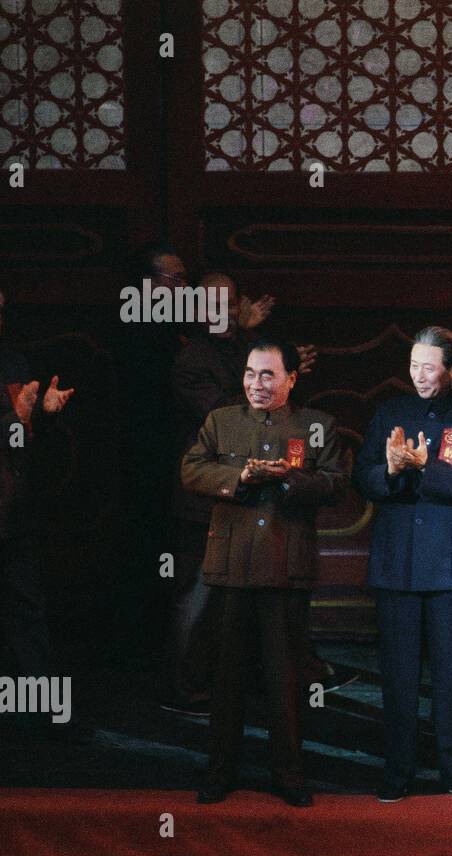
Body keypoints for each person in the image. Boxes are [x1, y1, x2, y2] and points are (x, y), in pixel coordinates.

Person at [181, 337, 347, 807]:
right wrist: (241, 479)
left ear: (292, 379)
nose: (257, 384)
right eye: (251, 374)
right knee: (226, 675)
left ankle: (289, 774)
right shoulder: (222, 420)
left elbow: (336, 483)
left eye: (269, 375)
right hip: (231, 565)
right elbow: (192, 471)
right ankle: (220, 772)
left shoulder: (316, 426)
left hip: (285, 567)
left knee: (285, 678)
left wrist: (289, 479)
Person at [164, 271, 338, 717]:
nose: (221, 311)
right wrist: (272, 371)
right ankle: (188, 690)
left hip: (262, 511)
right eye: (210, 304)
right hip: (208, 505)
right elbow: (232, 412)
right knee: (198, 601)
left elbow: (274, 409)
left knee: (268, 607)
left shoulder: (246, 345)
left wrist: (281, 366)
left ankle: (285, 682)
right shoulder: (193, 358)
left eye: (229, 302)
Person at [354, 326, 452, 802]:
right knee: (397, 675)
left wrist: (424, 466)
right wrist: (392, 469)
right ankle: (398, 774)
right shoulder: (389, 413)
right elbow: (364, 478)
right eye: (413, 365)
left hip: (449, 564)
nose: (418, 375)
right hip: (396, 561)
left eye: (429, 366)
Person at [0, 276, 81, 741]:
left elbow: (21, 440)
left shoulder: (13, 361)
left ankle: (48, 718)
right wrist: (13, 421)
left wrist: (45, 415)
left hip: (16, 512)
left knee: (28, 612)